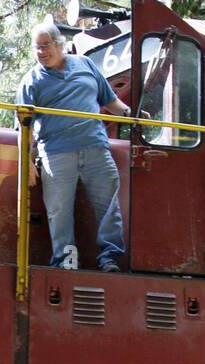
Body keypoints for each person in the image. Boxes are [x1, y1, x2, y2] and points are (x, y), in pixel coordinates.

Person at [17, 20, 131, 273]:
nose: (41, 52)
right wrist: (25, 162)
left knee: (108, 206)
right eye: (36, 47)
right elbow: (23, 126)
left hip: (96, 148)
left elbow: (110, 101)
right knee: (59, 211)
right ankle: (66, 260)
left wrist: (133, 114)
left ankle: (110, 258)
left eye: (45, 46)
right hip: (56, 153)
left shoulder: (86, 65)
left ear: (60, 44)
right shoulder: (31, 81)